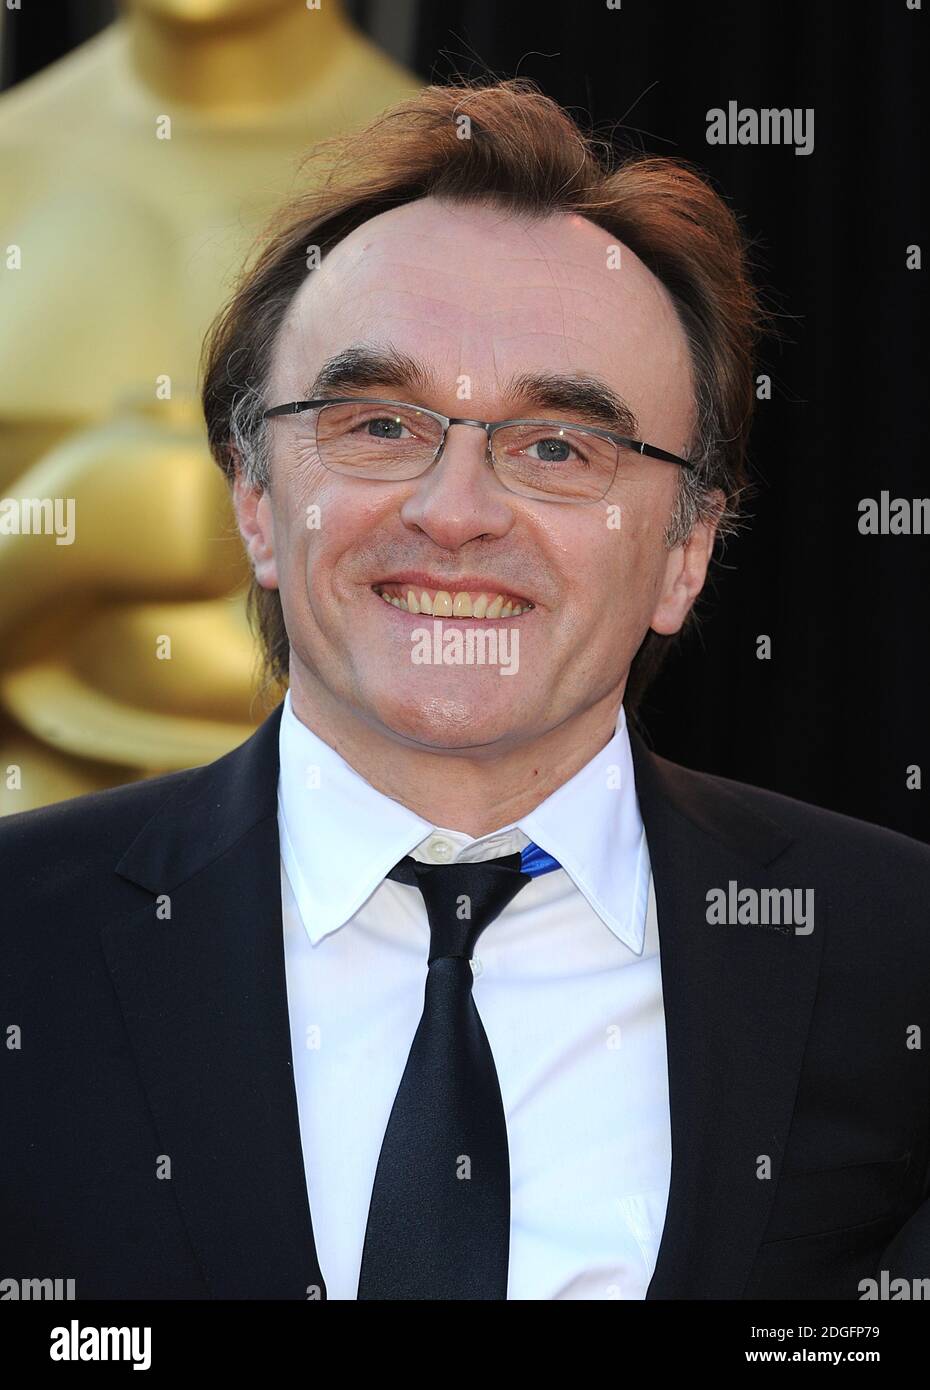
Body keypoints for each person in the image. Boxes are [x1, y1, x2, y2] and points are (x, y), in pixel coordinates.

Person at [1, 79, 927, 1302]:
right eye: (378, 425)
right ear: (256, 502)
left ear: (686, 551)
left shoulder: (896, 957)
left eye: (557, 447)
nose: (452, 512)